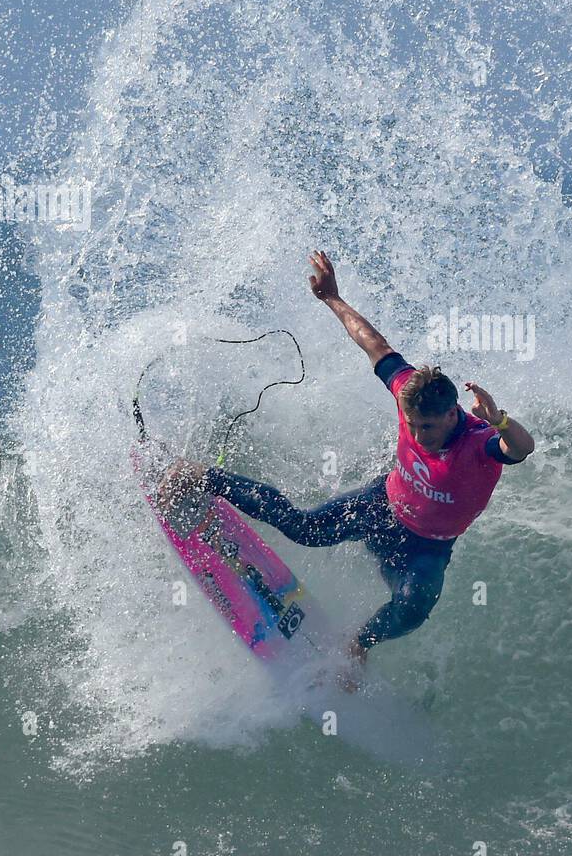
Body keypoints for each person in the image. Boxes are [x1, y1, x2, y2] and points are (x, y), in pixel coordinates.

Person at [161, 250, 534, 689]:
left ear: (452, 414)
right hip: (382, 505)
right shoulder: (408, 392)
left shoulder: (478, 443)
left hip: (425, 548)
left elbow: (521, 448)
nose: (419, 435)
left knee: (413, 608)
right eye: (412, 426)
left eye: (427, 428)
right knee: (303, 528)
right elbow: (374, 344)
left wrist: (501, 421)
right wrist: (332, 299)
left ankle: (357, 645)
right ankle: (202, 476)